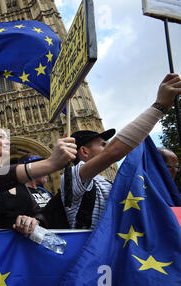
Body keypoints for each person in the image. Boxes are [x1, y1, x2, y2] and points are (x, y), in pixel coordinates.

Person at [24, 73, 181, 233]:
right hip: (93, 251)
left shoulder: (106, 183)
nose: (107, 147)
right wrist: (159, 106)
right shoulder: (73, 178)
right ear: (84, 151)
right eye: (103, 144)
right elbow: (113, 152)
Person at [0, 123, 77, 230]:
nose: (7, 142)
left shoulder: (20, 183)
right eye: (1, 137)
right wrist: (50, 163)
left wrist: (34, 221)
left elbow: (39, 212)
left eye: (7, 138)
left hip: (19, 247)